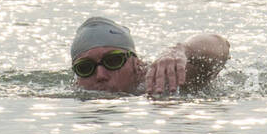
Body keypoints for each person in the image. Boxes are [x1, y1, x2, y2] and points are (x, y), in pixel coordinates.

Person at [69, 16, 230, 95]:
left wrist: (182, 50)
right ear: (77, 80)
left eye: (113, 60)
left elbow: (221, 45)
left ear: (137, 64)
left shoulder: (165, 79)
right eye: (85, 68)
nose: (100, 75)